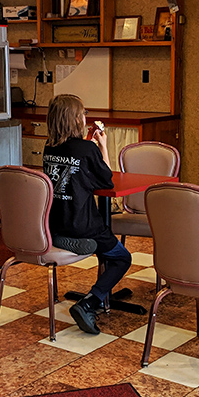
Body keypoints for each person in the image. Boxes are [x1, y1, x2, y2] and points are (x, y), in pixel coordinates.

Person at [42, 94, 132, 336]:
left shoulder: (49, 147)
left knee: (103, 248)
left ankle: (71, 242)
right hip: (84, 224)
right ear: (75, 119)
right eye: (83, 113)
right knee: (122, 257)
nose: (85, 117)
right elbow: (107, 180)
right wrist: (102, 146)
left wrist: (89, 148)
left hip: (55, 224)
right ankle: (90, 302)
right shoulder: (87, 149)